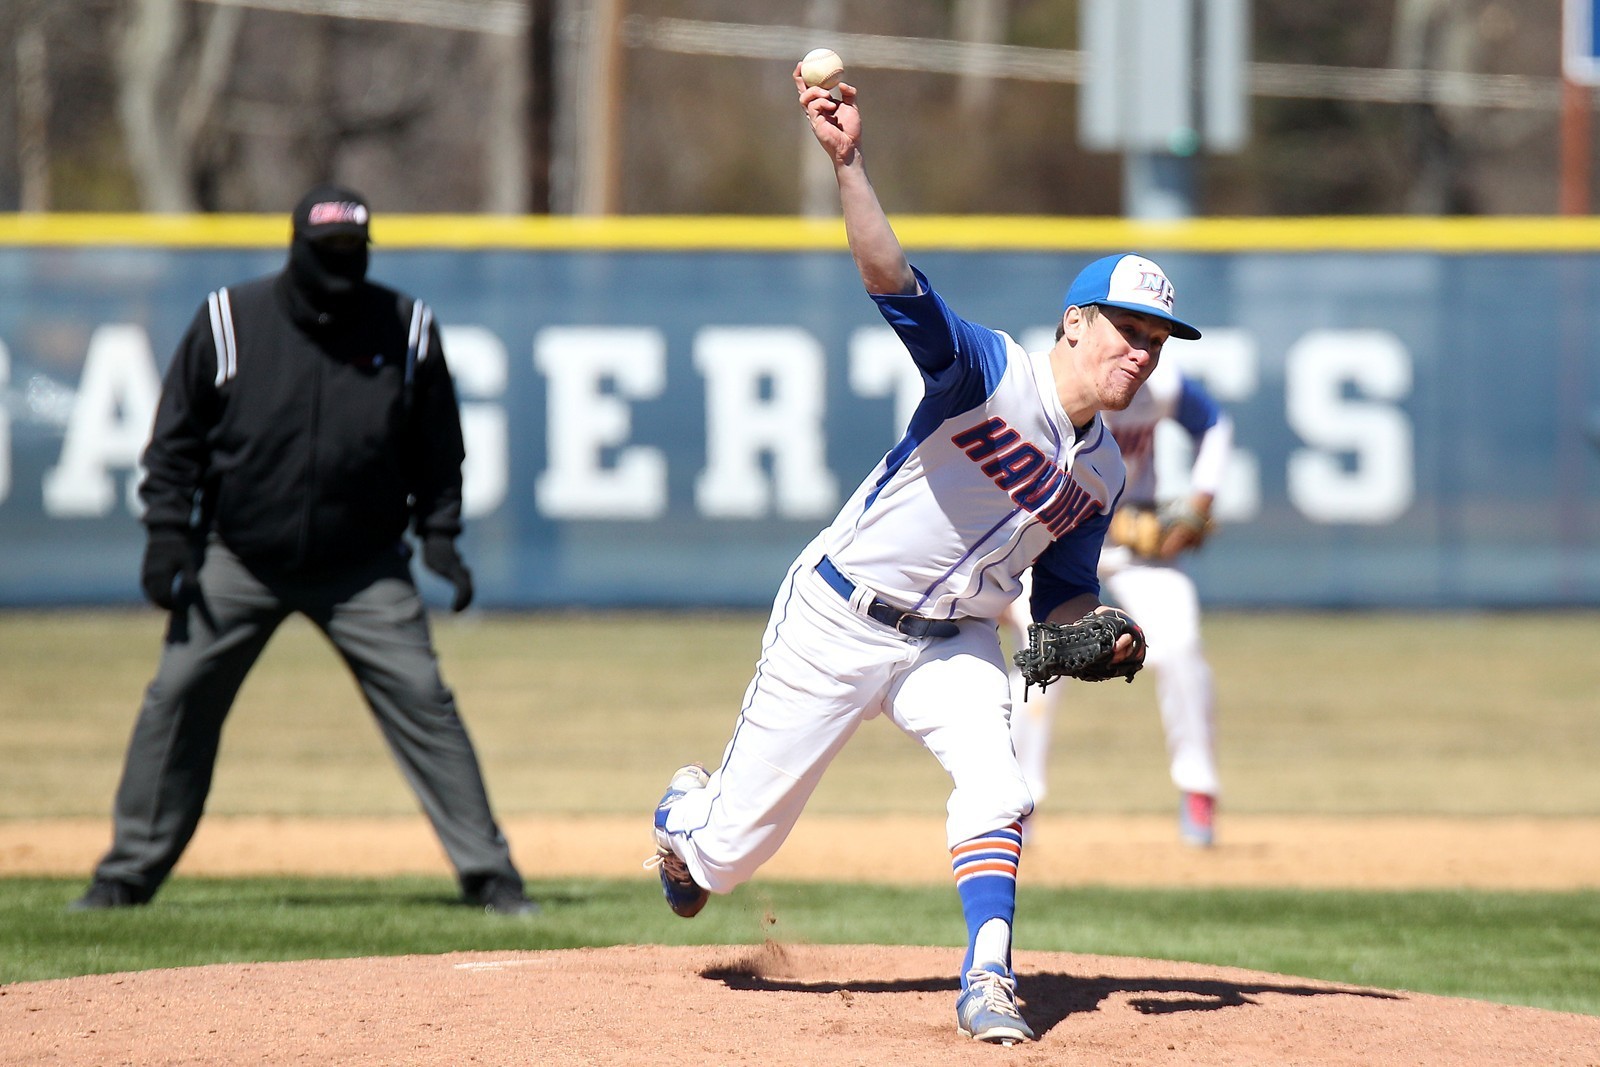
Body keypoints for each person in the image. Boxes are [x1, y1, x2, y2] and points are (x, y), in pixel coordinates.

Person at [646, 66, 1200, 1045]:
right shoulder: (988, 371)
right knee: (728, 858)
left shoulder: (1105, 473)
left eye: (1156, 341)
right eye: (1127, 328)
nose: (1142, 353)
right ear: (1074, 323)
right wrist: (848, 162)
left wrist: (1101, 635)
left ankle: (987, 974)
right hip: (837, 613)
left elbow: (1062, 594)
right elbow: (891, 279)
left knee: (1002, 784)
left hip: (954, 643)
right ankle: (684, 818)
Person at [69, 184, 534, 917]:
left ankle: (492, 877)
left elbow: (438, 451)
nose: (341, 266)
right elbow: (174, 445)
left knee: (424, 697)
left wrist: (439, 537)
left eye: (354, 251)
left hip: (364, 568)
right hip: (240, 556)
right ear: (298, 249)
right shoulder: (229, 321)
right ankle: (124, 876)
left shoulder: (406, 328)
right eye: (328, 253)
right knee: (179, 693)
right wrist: (167, 536)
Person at [1004, 360, 1233, 846]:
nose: (1137, 352)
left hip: (1137, 549)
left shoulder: (1156, 384)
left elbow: (1213, 422)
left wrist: (1201, 501)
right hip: (1051, 543)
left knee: (1179, 648)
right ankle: (1019, 802)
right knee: (1042, 663)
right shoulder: (1041, 393)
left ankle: (1198, 789)